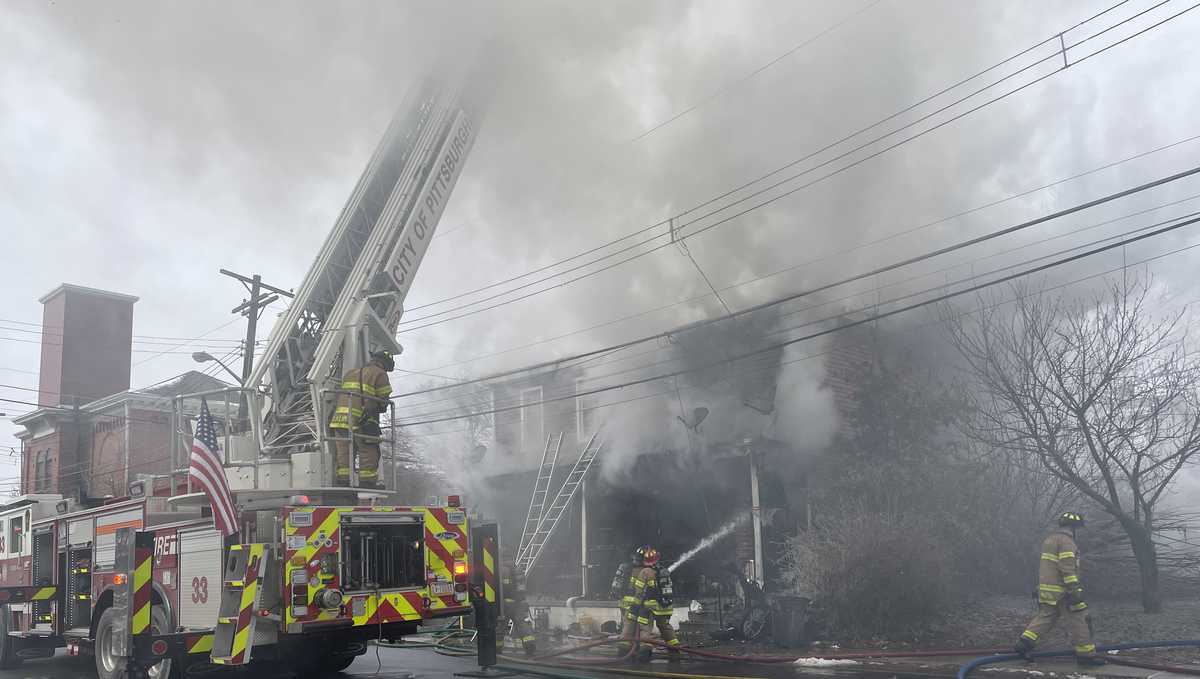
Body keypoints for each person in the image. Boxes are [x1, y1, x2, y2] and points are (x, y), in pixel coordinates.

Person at [1014, 512, 1102, 666]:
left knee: (1047, 617)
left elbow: (1048, 567)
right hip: (1064, 591)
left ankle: (1024, 644)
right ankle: (1086, 656)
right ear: (1074, 527)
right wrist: (1074, 588)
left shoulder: (1050, 540)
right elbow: (1066, 567)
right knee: (1079, 618)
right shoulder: (1067, 542)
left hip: (1047, 589)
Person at [328, 350, 394, 488]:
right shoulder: (380, 374)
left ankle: (343, 484)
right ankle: (367, 484)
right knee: (369, 453)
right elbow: (383, 400)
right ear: (385, 363)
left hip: (339, 421)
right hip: (361, 421)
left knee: (344, 456)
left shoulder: (350, 373)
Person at [617, 546, 680, 662]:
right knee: (665, 628)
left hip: (648, 607)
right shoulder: (664, 571)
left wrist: (635, 607)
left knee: (645, 629)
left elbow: (639, 592)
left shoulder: (644, 572)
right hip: (665, 607)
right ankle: (675, 650)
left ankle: (643, 653)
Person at [500, 564, 537, 656]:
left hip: (505, 604)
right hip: (519, 603)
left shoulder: (500, 570)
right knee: (523, 625)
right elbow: (523, 588)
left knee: (500, 626)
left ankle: (497, 649)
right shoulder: (518, 570)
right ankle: (530, 647)